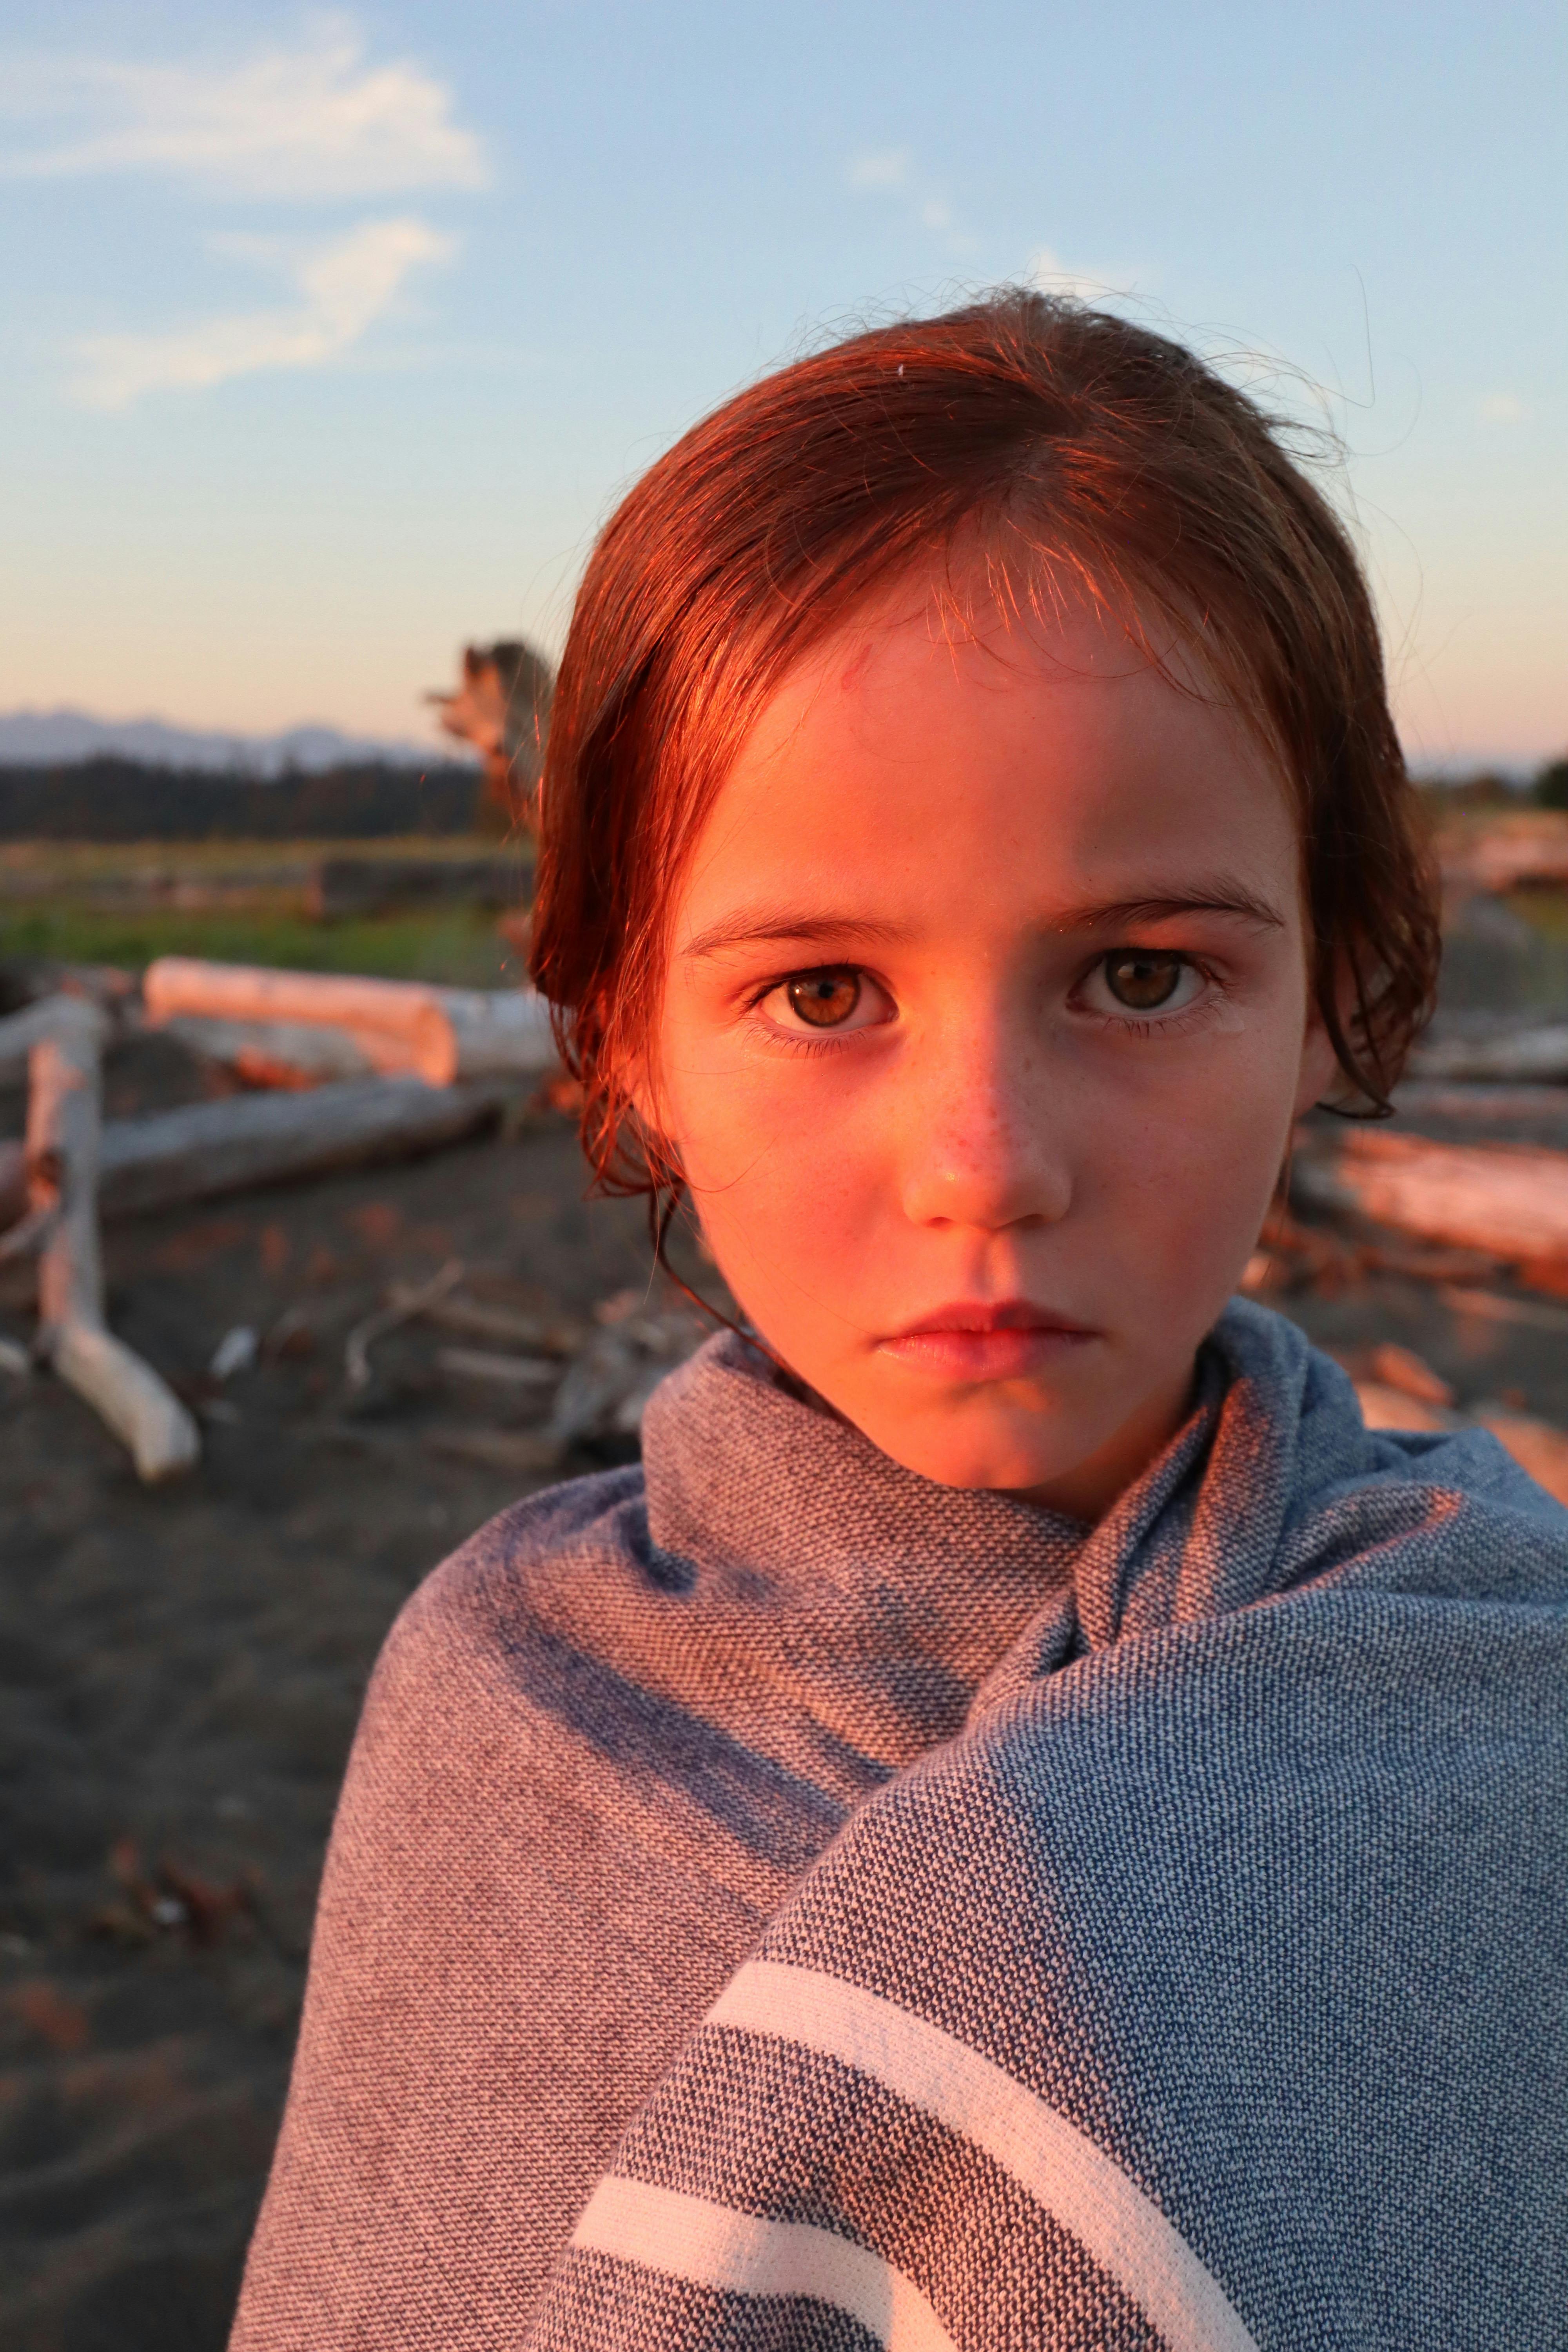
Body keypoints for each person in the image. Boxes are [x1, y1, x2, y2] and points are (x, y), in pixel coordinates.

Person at [231, 293, 1567, 2351]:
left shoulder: (1504, 1740)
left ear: (1335, 994)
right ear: (627, 1039)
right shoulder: (503, 1725)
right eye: (823, 994)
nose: (986, 1164)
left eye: (1137, 978)